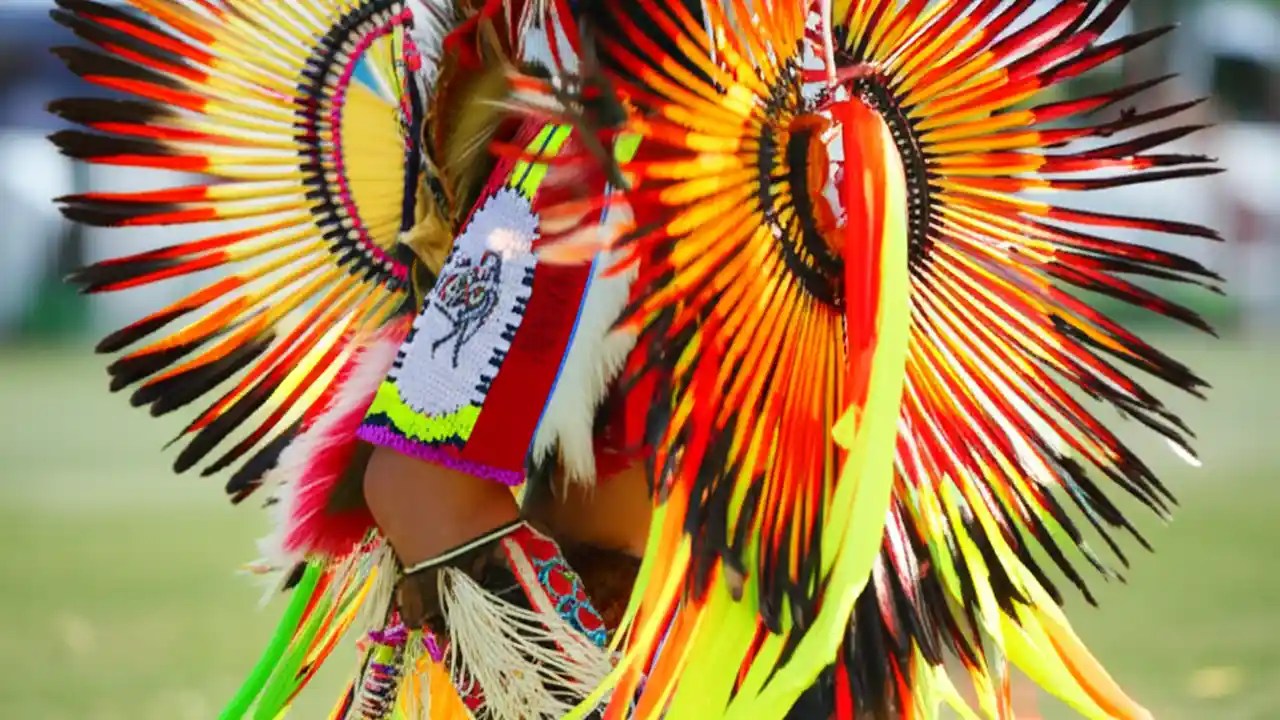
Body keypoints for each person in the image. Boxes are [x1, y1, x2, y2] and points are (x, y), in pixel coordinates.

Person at [57, 0, 1221, 718]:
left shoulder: (746, 162)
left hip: (791, 624)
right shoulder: (576, 185)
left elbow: (417, 486)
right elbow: (418, 483)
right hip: (734, 632)